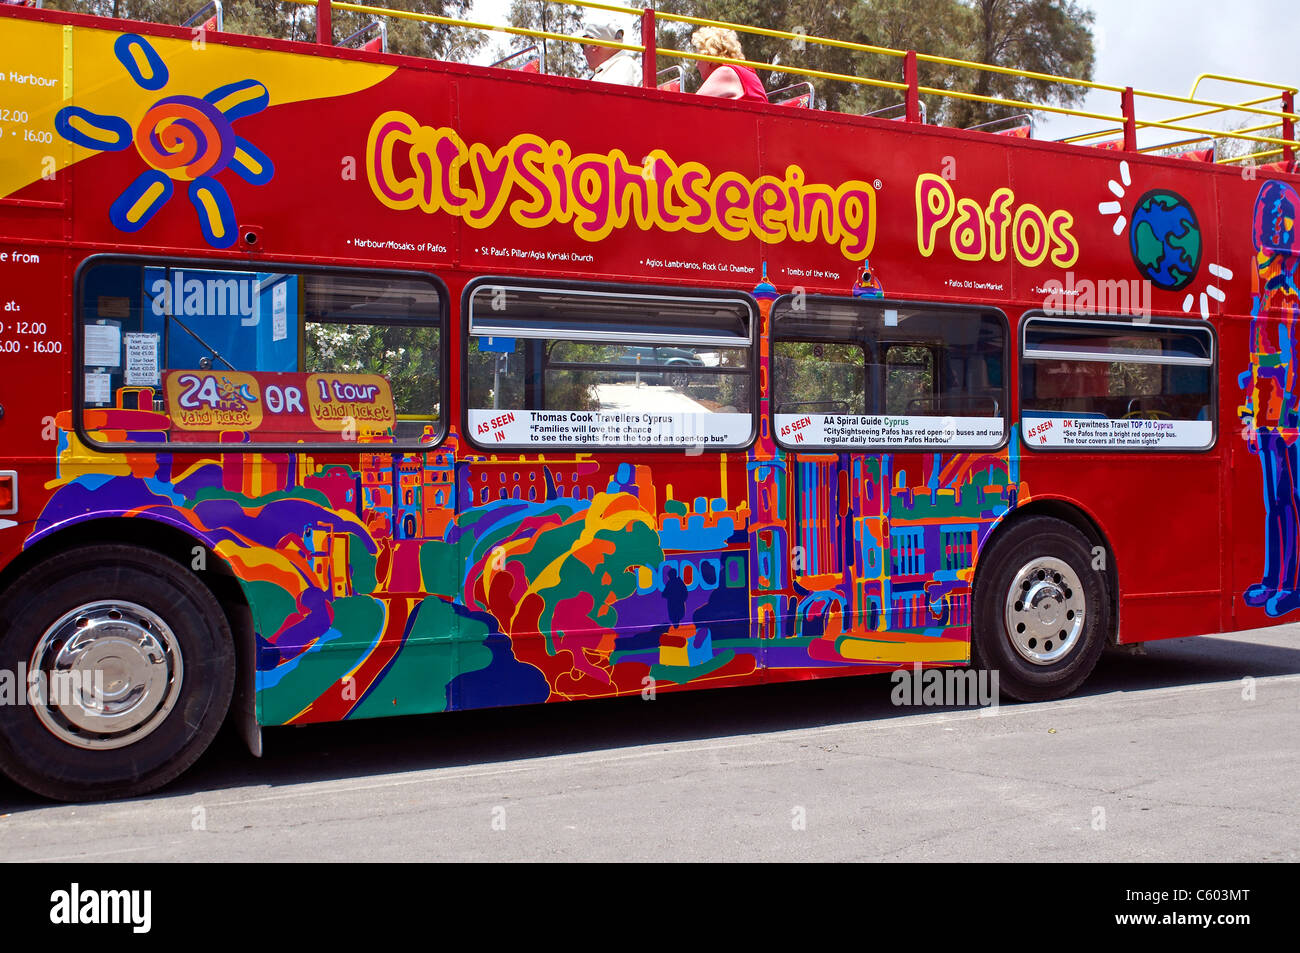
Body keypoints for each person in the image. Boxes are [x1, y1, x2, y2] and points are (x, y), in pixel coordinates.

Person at [690, 26, 768, 104]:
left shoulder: (726, 72)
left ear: (708, 57)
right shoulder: (744, 72)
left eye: (698, 58)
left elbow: (691, 106)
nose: (697, 65)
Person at [580, 20, 641, 87]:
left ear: (594, 45)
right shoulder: (620, 66)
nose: (583, 52)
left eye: (582, 45)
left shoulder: (621, 68)